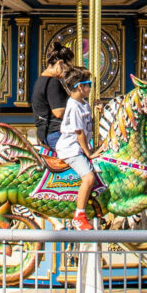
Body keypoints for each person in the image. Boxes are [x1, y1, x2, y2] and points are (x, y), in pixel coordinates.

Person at [55, 67, 98, 230]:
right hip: (71, 149)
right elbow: (79, 133)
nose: (91, 88)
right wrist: (89, 153)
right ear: (81, 86)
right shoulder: (73, 106)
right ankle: (79, 216)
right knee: (89, 178)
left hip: (80, 147)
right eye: (89, 84)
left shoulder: (83, 104)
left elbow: (89, 126)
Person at [32, 45, 73, 150]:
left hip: (46, 133)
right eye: (68, 68)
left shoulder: (42, 79)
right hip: (55, 132)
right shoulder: (52, 82)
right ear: (60, 63)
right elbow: (58, 112)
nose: (68, 72)